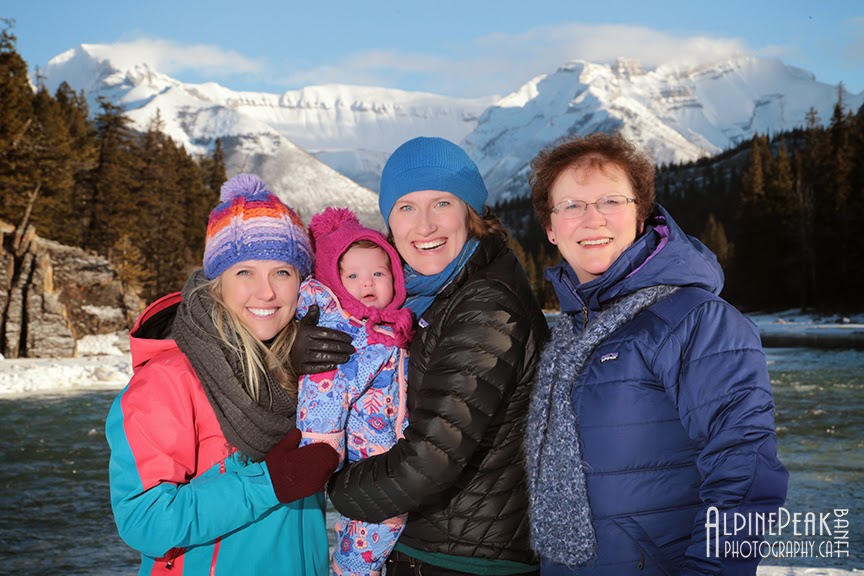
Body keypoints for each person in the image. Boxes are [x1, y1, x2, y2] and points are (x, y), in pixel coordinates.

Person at [524, 132, 789, 576]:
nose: (592, 220)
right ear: (551, 229)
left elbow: (745, 468)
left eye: (611, 201)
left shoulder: (696, 320)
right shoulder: (571, 334)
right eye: (571, 205)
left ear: (641, 213)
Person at [311, 137, 549, 575]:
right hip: (441, 545)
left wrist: (332, 482)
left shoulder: (486, 306)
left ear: (471, 213)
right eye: (405, 207)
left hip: (463, 558)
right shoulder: (424, 298)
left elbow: (430, 459)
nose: (423, 226)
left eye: (441, 203)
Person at [105, 174, 340, 575]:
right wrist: (269, 483)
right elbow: (144, 520)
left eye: (282, 272)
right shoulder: (168, 379)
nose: (266, 292)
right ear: (218, 283)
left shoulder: (306, 374)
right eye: (244, 272)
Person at [295, 207, 413, 576]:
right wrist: (320, 451)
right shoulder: (343, 335)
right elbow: (324, 394)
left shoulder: (393, 327)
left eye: (379, 273)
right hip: (369, 460)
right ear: (335, 279)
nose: (368, 284)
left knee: (368, 530)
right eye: (354, 276)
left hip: (390, 455)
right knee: (371, 538)